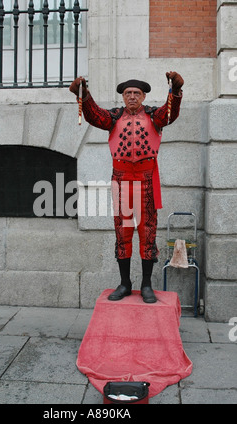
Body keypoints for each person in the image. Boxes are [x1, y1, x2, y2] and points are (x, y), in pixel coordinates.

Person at [69, 72, 184, 303]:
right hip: (121, 178)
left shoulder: (154, 116)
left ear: (142, 97)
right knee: (123, 232)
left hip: (147, 178)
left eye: (136, 93)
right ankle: (124, 283)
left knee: (147, 232)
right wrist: (83, 94)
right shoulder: (113, 117)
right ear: (123, 97)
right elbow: (94, 115)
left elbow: (169, 113)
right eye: (128, 93)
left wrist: (176, 91)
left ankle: (146, 285)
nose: (132, 97)